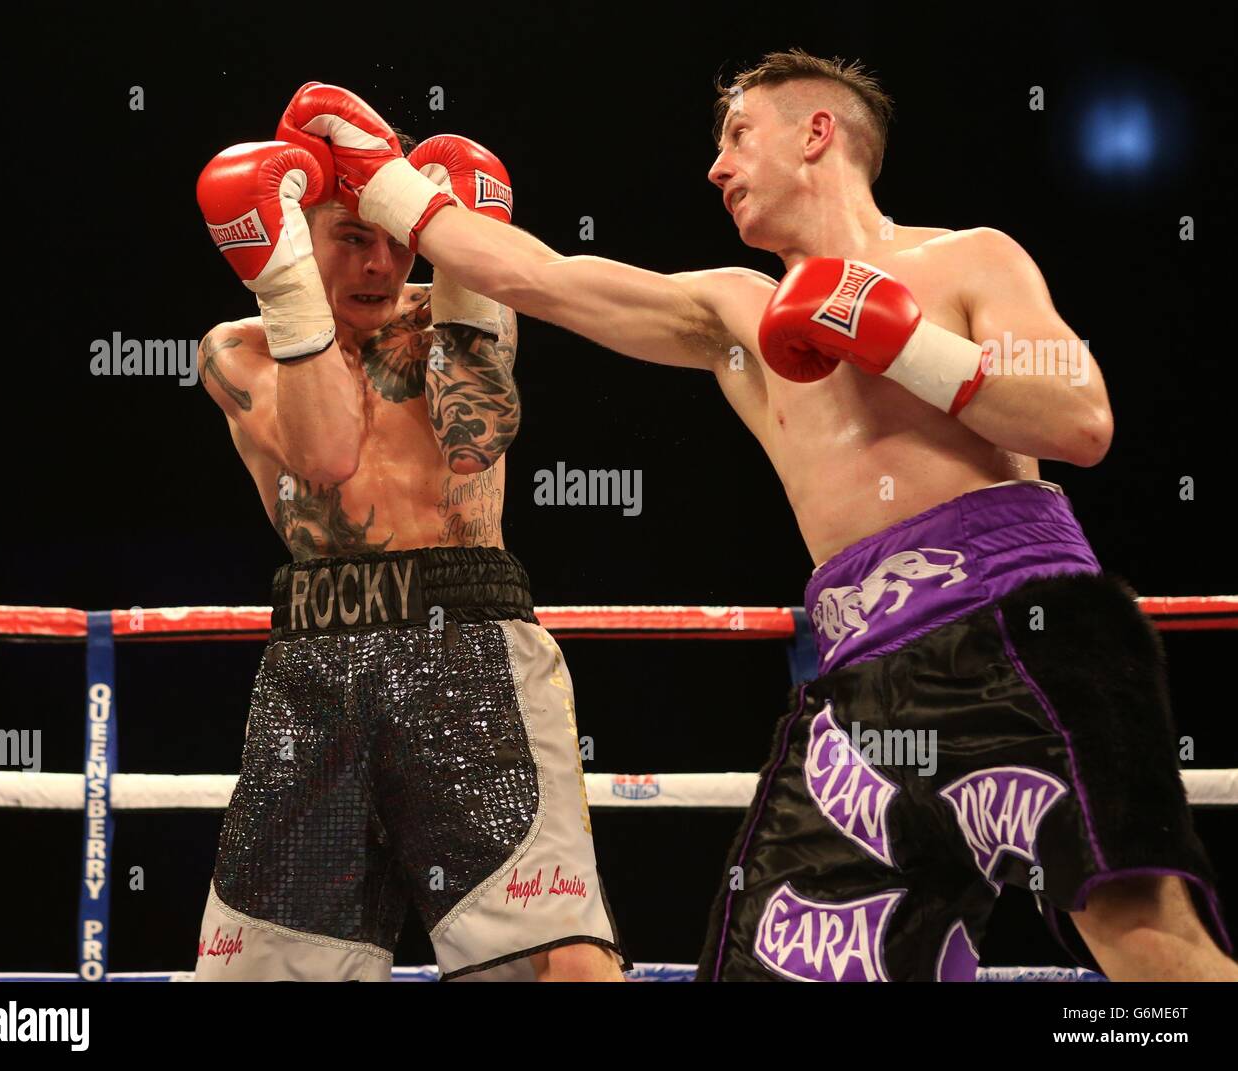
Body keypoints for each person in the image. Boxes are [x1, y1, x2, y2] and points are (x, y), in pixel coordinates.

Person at [302, 54, 1235, 981]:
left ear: (816, 134)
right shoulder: (732, 311)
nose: (716, 167)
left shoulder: (971, 256)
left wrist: (905, 340)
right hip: (860, 686)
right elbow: (539, 277)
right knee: (772, 965)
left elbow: (1081, 421)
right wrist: (376, 175)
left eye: (738, 136)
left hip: (1022, 624)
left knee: (1143, 934)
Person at [189, 83, 626, 981]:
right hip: (316, 660)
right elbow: (326, 454)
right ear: (296, 231)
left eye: (399, 239)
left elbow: (476, 440)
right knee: (267, 974)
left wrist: (457, 252)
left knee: (558, 964)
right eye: (353, 237)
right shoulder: (239, 348)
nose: (382, 265)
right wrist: (283, 285)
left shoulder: (455, 310)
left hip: (467, 638)